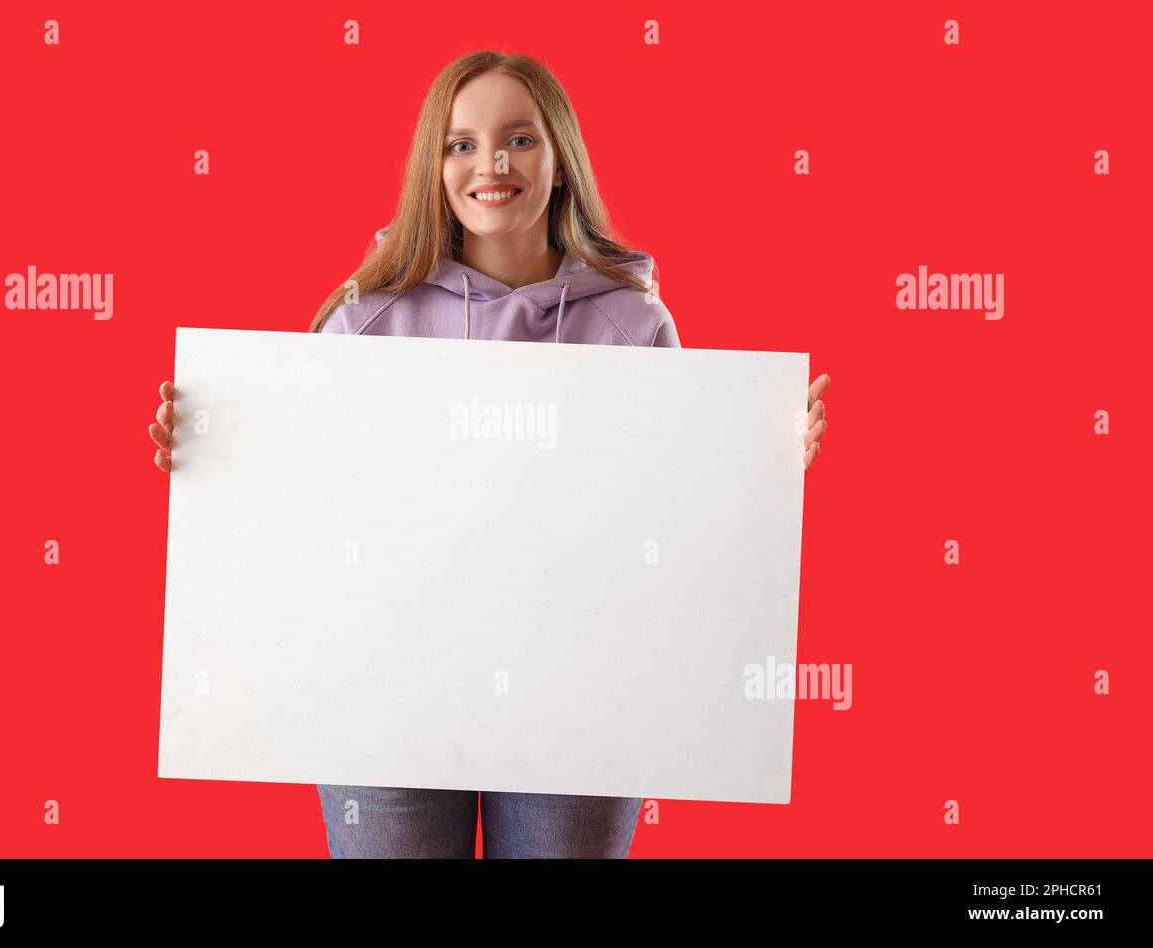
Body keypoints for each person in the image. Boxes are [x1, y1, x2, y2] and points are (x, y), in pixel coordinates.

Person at [148, 50, 830, 858]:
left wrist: (762, 463)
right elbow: (301, 509)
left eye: (519, 140)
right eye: (461, 144)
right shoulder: (366, 320)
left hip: (578, 701)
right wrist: (209, 451)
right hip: (383, 700)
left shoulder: (634, 328)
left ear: (562, 160)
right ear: (433, 168)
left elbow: (670, 522)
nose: (491, 165)